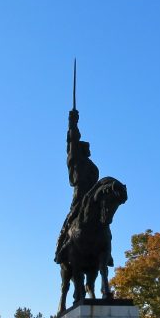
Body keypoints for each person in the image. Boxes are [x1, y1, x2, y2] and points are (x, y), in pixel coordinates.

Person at [54, 109, 100, 264]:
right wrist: (73, 122)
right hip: (80, 196)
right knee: (71, 218)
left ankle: (106, 252)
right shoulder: (75, 159)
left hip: (93, 198)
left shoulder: (93, 166)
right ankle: (61, 247)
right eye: (86, 147)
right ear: (80, 149)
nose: (89, 150)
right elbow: (72, 139)